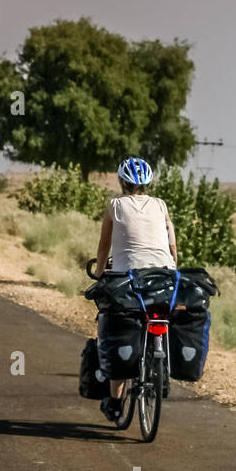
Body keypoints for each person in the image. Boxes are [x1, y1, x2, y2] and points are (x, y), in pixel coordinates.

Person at [94, 157, 178, 421]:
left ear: (121, 182)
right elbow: (172, 246)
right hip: (163, 275)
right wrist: (172, 268)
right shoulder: (161, 205)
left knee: (119, 328)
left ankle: (116, 402)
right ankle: (162, 362)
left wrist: (99, 273)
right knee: (162, 313)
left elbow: (104, 246)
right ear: (148, 183)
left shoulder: (114, 206)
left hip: (127, 279)